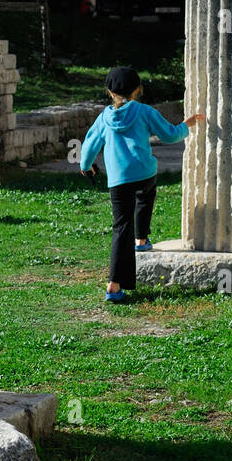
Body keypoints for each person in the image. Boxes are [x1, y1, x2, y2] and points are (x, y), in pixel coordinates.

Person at [79, 66, 204, 302]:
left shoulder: (103, 118)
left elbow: (88, 146)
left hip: (118, 180)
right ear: (137, 90)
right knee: (145, 197)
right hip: (144, 173)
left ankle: (114, 285)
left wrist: (86, 166)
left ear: (109, 92)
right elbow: (169, 135)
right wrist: (185, 126)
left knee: (120, 227)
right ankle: (141, 240)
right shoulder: (144, 111)